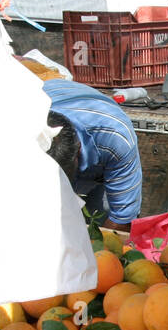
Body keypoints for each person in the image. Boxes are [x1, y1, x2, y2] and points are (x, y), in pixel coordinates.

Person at [42, 77, 143, 232]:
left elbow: (122, 218)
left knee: (94, 224)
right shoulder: (24, 124)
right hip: (53, 92)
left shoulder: (117, 140)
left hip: (100, 158)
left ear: (78, 153)